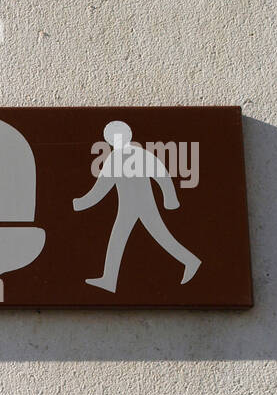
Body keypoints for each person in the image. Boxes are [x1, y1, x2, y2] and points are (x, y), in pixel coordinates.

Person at [73, 120, 201, 292]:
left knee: (156, 237)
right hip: (129, 207)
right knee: (125, 238)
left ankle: (190, 261)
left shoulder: (130, 156)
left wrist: (170, 198)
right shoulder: (120, 157)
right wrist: (81, 203)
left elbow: (160, 174)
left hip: (143, 205)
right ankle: (109, 280)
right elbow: (102, 187)